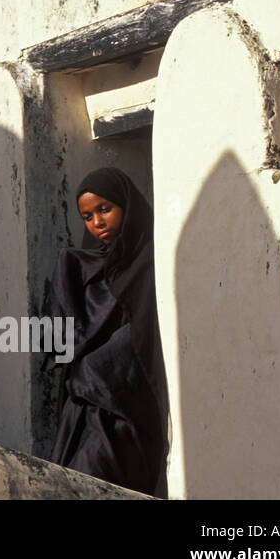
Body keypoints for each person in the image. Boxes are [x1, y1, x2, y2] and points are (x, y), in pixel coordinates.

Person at [42, 166, 170, 497]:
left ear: (127, 206)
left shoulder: (150, 261)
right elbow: (58, 342)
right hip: (83, 413)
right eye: (87, 216)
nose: (97, 223)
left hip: (126, 411)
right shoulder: (80, 266)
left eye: (105, 209)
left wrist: (99, 371)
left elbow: (143, 337)